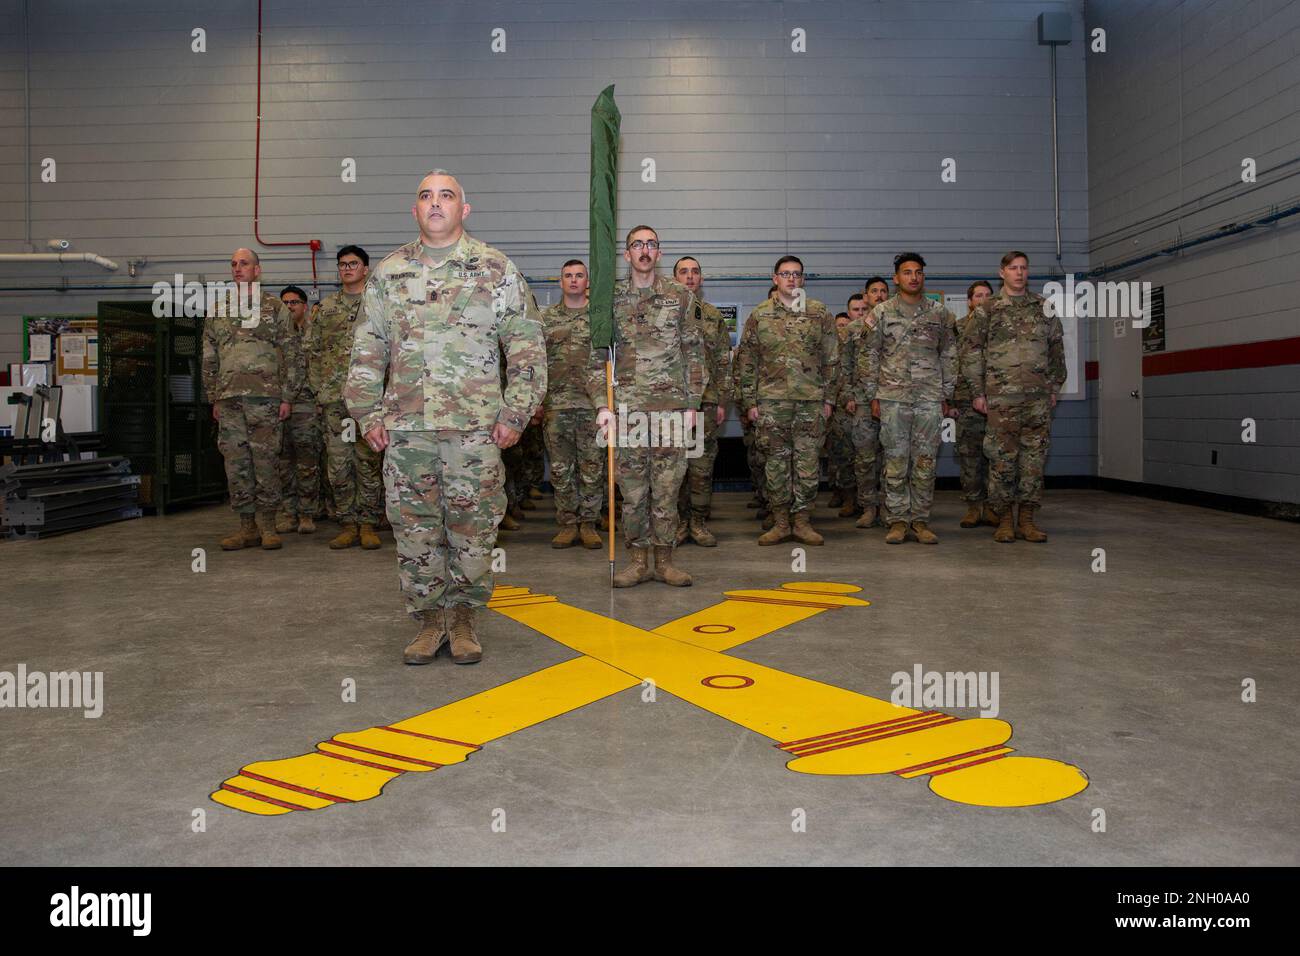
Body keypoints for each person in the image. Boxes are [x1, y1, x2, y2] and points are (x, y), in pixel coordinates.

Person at [344, 169, 545, 664]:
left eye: (446, 196)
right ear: (414, 210)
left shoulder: (495, 270)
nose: (436, 203)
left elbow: (526, 348)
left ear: (464, 209)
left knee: (473, 527)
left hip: (475, 429)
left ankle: (463, 616)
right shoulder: (389, 274)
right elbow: (367, 350)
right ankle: (429, 619)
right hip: (406, 429)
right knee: (414, 528)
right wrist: (367, 414)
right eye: (426, 196)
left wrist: (516, 414)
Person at [589, 225, 704, 587]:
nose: (644, 250)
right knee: (634, 492)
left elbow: (694, 353)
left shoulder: (679, 296)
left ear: (659, 252)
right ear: (626, 254)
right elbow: (596, 358)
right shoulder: (609, 298)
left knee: (668, 489)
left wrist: (692, 404)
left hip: (671, 409)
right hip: (627, 412)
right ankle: (638, 561)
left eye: (650, 244)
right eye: (637, 244)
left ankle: (665, 561)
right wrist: (600, 405)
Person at [962, 251, 1066, 543]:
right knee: (1001, 461)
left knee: (1033, 462)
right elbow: (971, 352)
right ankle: (1005, 520)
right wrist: (977, 392)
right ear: (1002, 273)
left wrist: (1054, 388)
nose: (1019, 273)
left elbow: (1057, 350)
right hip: (1000, 400)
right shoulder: (988, 310)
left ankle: (1028, 520)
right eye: (1013, 268)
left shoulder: (1043, 307)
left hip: (1036, 400)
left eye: (1024, 268)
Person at [735, 256, 838, 546]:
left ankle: (803, 522)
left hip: (810, 402)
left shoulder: (819, 314)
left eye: (797, 274)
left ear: (803, 280)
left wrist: (829, 398)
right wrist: (749, 401)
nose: (791, 279)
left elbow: (832, 359)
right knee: (776, 465)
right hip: (771, 403)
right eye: (785, 274)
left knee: (807, 464)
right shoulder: (760, 315)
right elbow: (747, 361)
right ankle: (781, 522)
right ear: (775, 279)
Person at [202, 247, 297, 551]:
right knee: (236, 464)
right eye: (233, 264)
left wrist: (288, 395)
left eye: (244, 263)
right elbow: (209, 356)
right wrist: (213, 397)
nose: (237, 268)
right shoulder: (218, 309)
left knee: (266, 461)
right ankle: (247, 528)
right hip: (229, 400)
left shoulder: (274, 308)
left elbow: (293, 352)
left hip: (266, 399)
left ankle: (269, 526)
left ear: (258, 270)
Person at [860, 252, 957, 544]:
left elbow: (950, 354)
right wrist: (872, 395)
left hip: (929, 397)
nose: (913, 277)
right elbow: (870, 355)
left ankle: (920, 520)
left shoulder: (939, 313)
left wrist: (947, 393)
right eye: (907, 272)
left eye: (918, 272)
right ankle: (898, 520)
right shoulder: (881, 313)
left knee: (925, 461)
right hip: (892, 398)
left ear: (923, 276)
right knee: (896, 460)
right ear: (896, 278)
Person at [307, 245, 385, 551]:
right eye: (342, 265)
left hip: (369, 400)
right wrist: (319, 389)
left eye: (353, 264)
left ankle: (368, 523)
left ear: (365, 269)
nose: (347, 269)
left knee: (367, 462)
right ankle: (348, 524)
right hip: (335, 400)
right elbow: (312, 352)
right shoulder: (325, 309)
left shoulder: (379, 306)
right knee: (338, 465)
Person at [538, 260, 605, 550]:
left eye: (579, 275)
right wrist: (537, 402)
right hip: (557, 405)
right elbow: (536, 363)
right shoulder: (546, 318)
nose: (574, 280)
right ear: (560, 282)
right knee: (561, 469)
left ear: (587, 281)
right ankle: (567, 523)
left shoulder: (599, 319)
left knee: (592, 467)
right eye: (568, 276)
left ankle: (589, 523)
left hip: (593, 405)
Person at [672, 256, 732, 547]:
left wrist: (721, 400)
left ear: (702, 279)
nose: (690, 277)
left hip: (705, 403)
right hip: (671, 403)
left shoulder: (712, 316)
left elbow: (722, 360)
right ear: (674, 279)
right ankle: (677, 522)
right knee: (673, 466)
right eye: (684, 272)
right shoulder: (664, 312)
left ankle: (697, 521)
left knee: (701, 466)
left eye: (695, 272)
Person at [275, 285, 321, 534]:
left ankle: (307, 514)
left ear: (305, 306)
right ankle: (289, 513)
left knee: (307, 462)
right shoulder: (274, 333)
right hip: (279, 403)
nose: (289, 307)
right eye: (285, 303)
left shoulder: (315, 332)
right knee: (282, 462)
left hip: (306, 404)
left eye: (294, 302)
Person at [954, 280, 997, 529]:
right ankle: (973, 506)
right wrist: (950, 401)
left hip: (997, 401)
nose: (983, 299)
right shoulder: (958, 328)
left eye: (987, 295)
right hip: (967, 401)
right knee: (969, 457)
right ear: (970, 301)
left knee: (995, 457)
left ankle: (993, 507)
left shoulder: (1001, 327)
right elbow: (950, 363)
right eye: (978, 296)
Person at [850, 276, 890, 528]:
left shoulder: (896, 325)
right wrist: (847, 397)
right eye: (874, 291)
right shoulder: (853, 331)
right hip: (863, 403)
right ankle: (868, 507)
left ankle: (889, 507)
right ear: (865, 296)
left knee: (892, 458)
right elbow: (842, 366)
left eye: (884, 291)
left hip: (893, 401)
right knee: (865, 458)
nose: (879, 295)